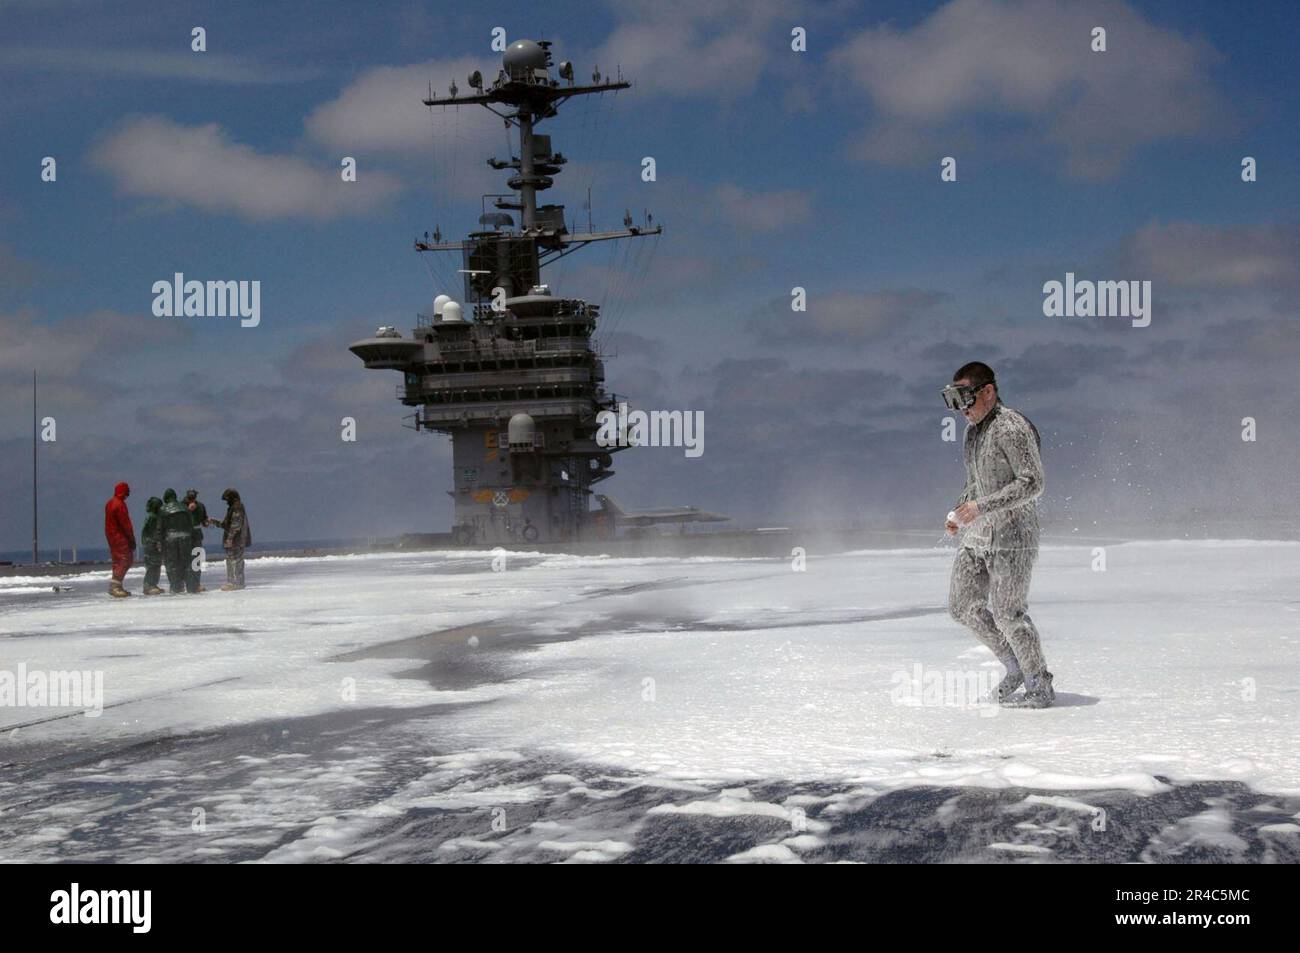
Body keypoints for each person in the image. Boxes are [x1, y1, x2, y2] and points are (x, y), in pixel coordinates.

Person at [943, 362, 1055, 708]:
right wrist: (959, 510)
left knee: (1009, 614)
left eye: (964, 398)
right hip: (978, 536)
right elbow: (974, 483)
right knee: (962, 607)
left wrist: (981, 507)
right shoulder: (972, 432)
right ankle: (1015, 667)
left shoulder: (1011, 427)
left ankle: (1040, 684)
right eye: (953, 401)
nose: (961, 409)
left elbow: (1033, 482)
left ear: (987, 391)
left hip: (1013, 538)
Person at [209, 488, 251, 591]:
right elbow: (225, 524)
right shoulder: (234, 507)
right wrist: (213, 521)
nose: (226, 502)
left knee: (235, 561)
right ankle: (237, 582)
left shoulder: (237, 507)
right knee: (234, 560)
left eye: (227, 499)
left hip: (236, 540)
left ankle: (235, 583)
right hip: (237, 539)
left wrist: (230, 538)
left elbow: (236, 525)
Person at [103, 481, 136, 598]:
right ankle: (115, 587)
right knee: (125, 559)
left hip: (111, 536)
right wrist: (131, 539)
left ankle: (117, 585)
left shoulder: (110, 503)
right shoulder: (119, 504)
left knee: (118, 560)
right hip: (119, 537)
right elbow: (126, 524)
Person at [159, 488, 194, 594]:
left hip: (170, 539)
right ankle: (191, 586)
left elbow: (159, 528)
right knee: (187, 563)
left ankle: (175, 587)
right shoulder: (184, 508)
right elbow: (190, 524)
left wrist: (159, 542)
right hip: (186, 537)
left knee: (172, 564)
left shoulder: (163, 509)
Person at [184, 489, 209, 593]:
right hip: (190, 535)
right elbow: (205, 522)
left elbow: (204, 520)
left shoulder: (200, 506)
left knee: (194, 561)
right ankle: (192, 584)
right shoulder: (200, 506)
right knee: (193, 561)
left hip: (190, 535)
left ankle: (194, 584)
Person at [140, 496, 165, 595]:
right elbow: (152, 531)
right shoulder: (152, 517)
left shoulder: (152, 516)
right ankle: (148, 586)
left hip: (150, 543)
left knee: (155, 565)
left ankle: (153, 584)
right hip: (151, 543)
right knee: (152, 565)